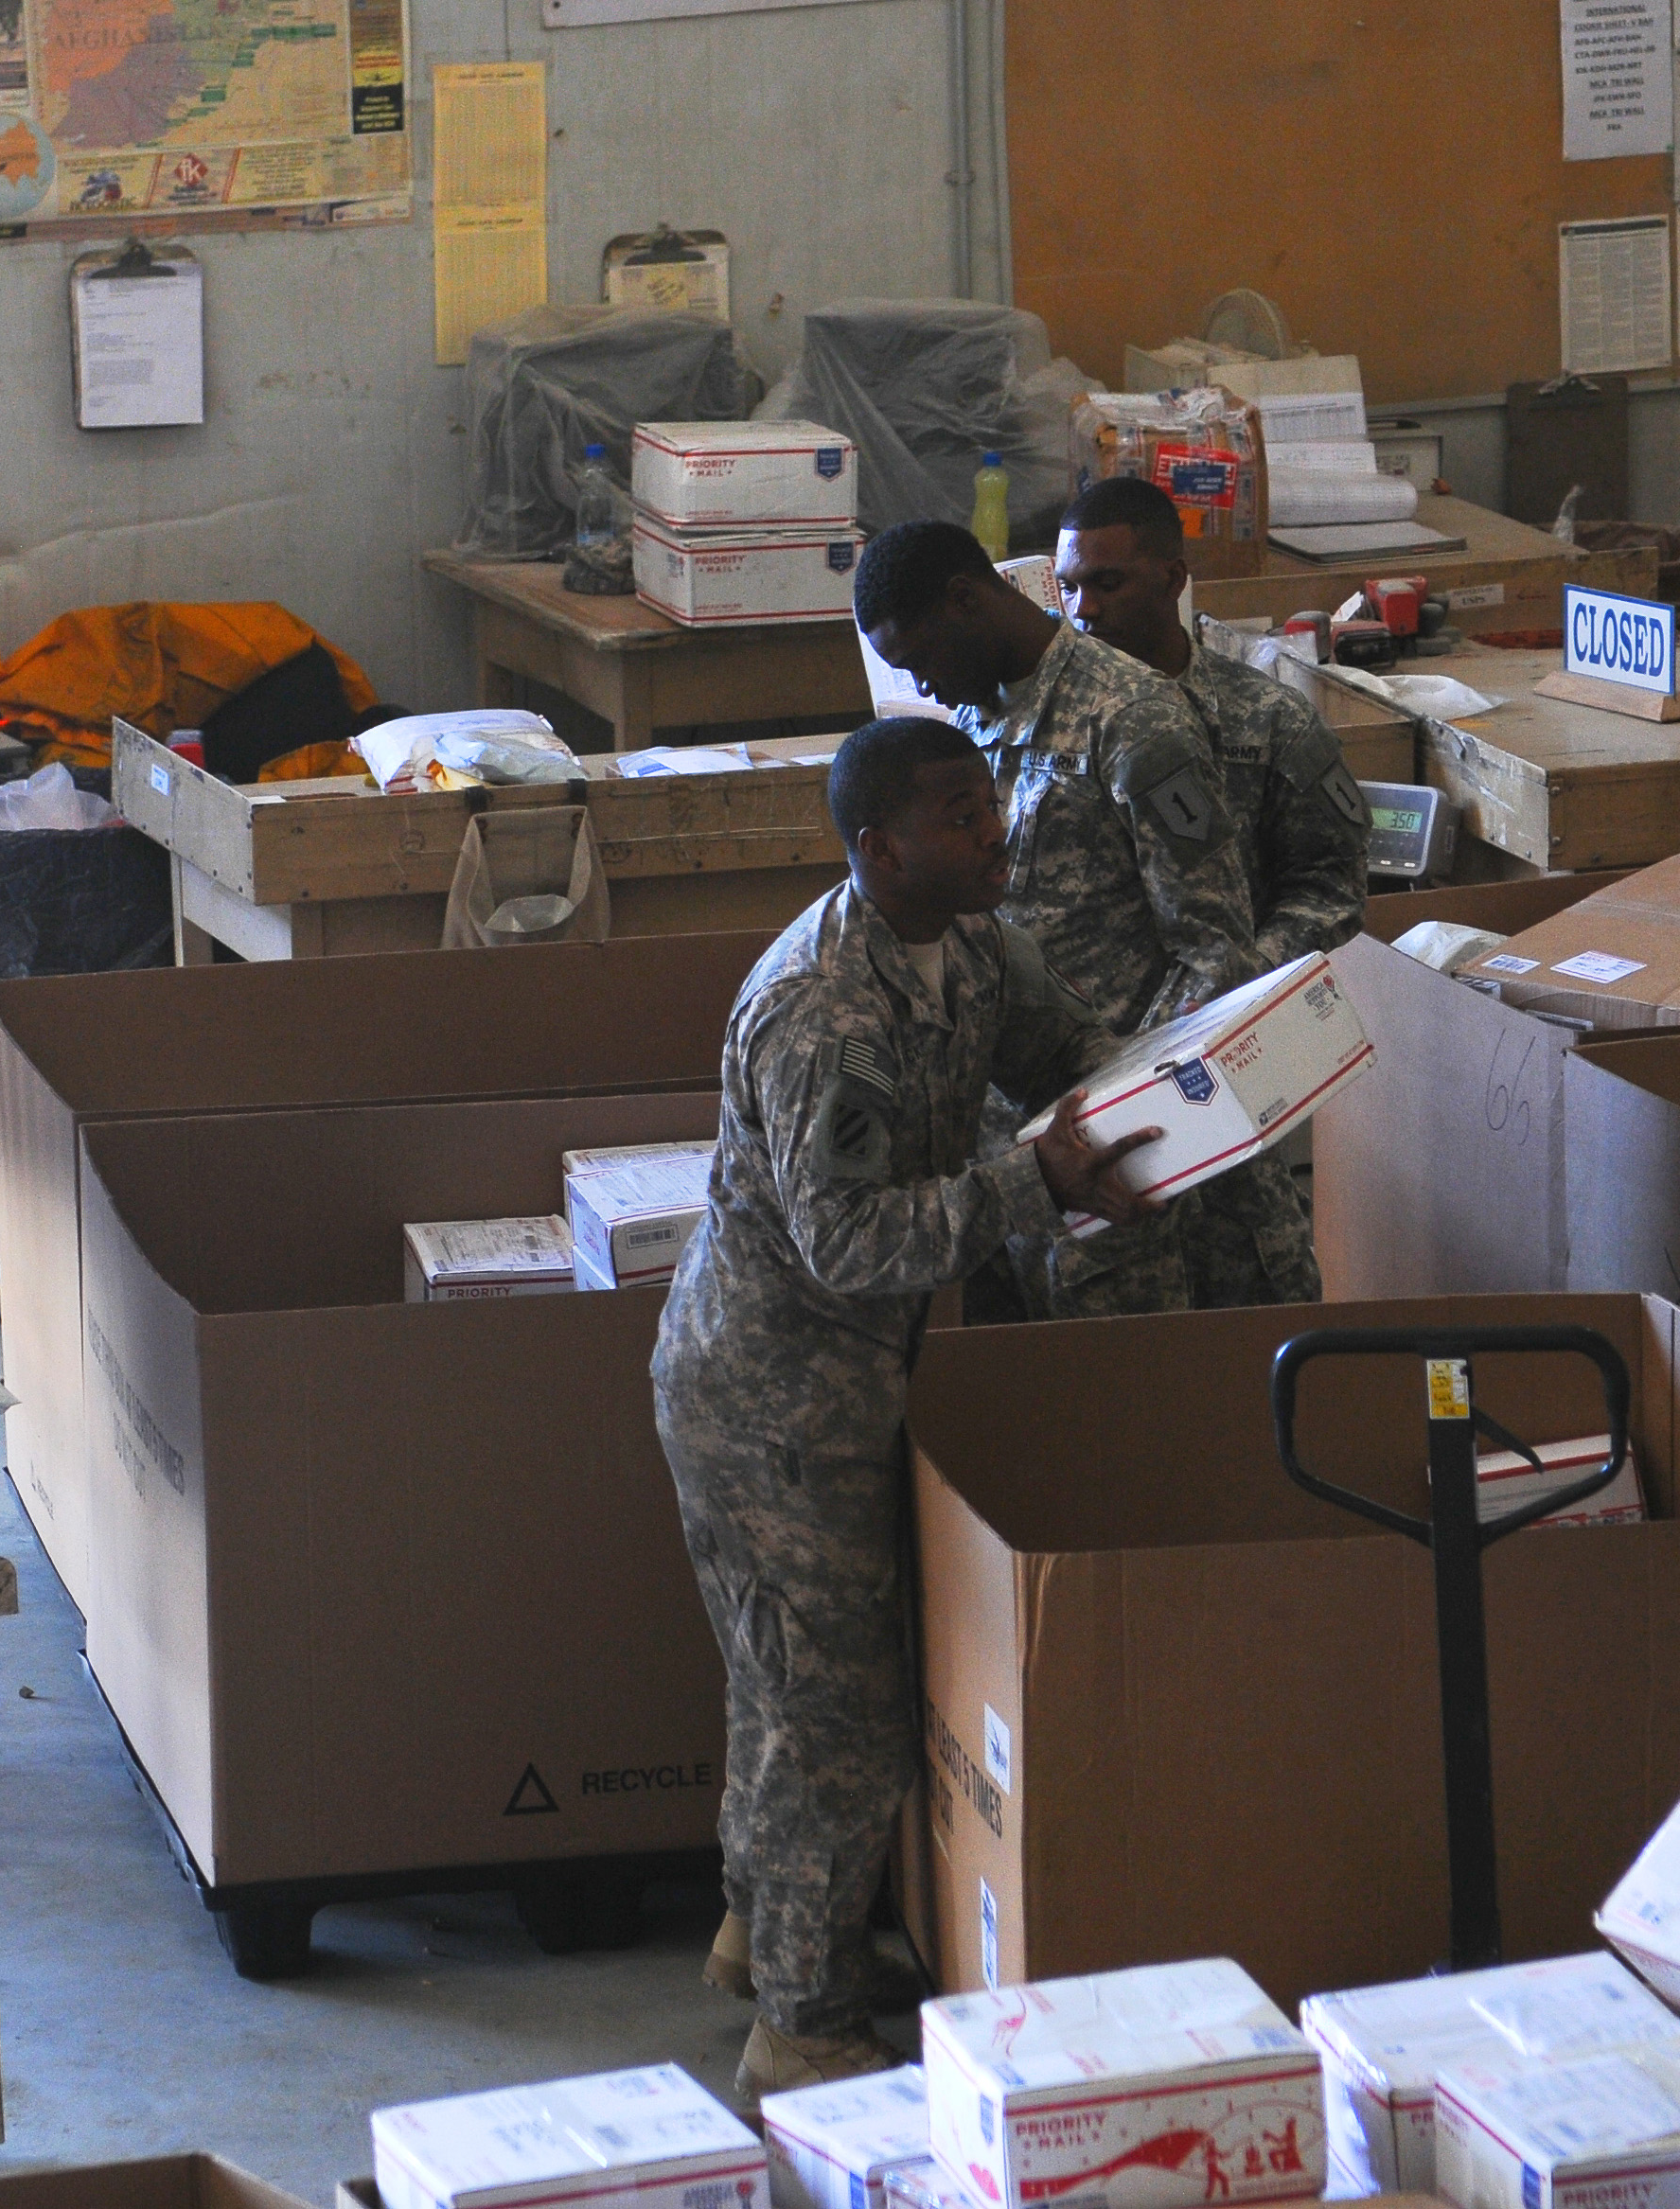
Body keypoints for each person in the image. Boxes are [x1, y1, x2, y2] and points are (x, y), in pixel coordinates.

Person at [651, 716, 1163, 2097]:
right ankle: (805, 2025)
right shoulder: (822, 1012)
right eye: (954, 814)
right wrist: (1033, 1183)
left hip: (851, 1373)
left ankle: (763, 1932)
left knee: (793, 1677)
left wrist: (1169, 1103)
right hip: (768, 1389)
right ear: (877, 849)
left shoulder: (980, 945)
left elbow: (1075, 1056)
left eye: (987, 801)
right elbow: (851, 1243)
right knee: (832, 1704)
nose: (990, 830)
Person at [854, 520, 1259, 1318]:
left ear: (966, 601)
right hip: (1002, 1162)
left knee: (1113, 1414)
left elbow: (1214, 947)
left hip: (1111, 1151)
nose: (924, 688)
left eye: (922, 660)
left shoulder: (1133, 718)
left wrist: (1129, 1110)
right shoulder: (971, 721)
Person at [1054, 473, 1369, 1306]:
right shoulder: (1048, 731)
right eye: (1067, 588)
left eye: (1106, 583)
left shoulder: (1265, 722)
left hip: (1222, 1063)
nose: (1083, 611)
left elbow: (1332, 879)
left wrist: (1241, 982)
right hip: (1092, 1074)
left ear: (1171, 577)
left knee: (1260, 1303)